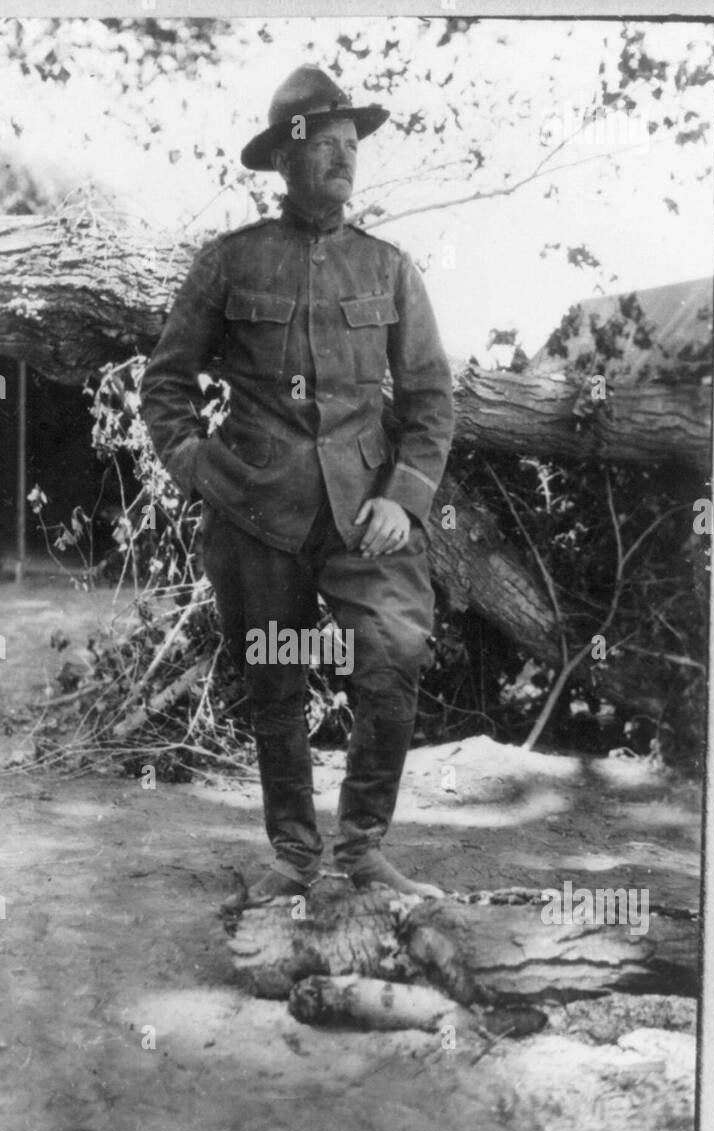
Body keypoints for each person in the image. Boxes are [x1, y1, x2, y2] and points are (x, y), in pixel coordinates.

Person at [140, 64, 455, 908]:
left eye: (353, 145)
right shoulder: (229, 261)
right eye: (326, 144)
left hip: (366, 516)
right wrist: (201, 471)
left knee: (391, 658)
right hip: (256, 514)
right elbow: (165, 384)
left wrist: (404, 497)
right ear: (286, 157)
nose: (345, 158)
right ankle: (292, 854)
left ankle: (364, 850)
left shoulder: (388, 268)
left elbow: (430, 399)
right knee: (273, 680)